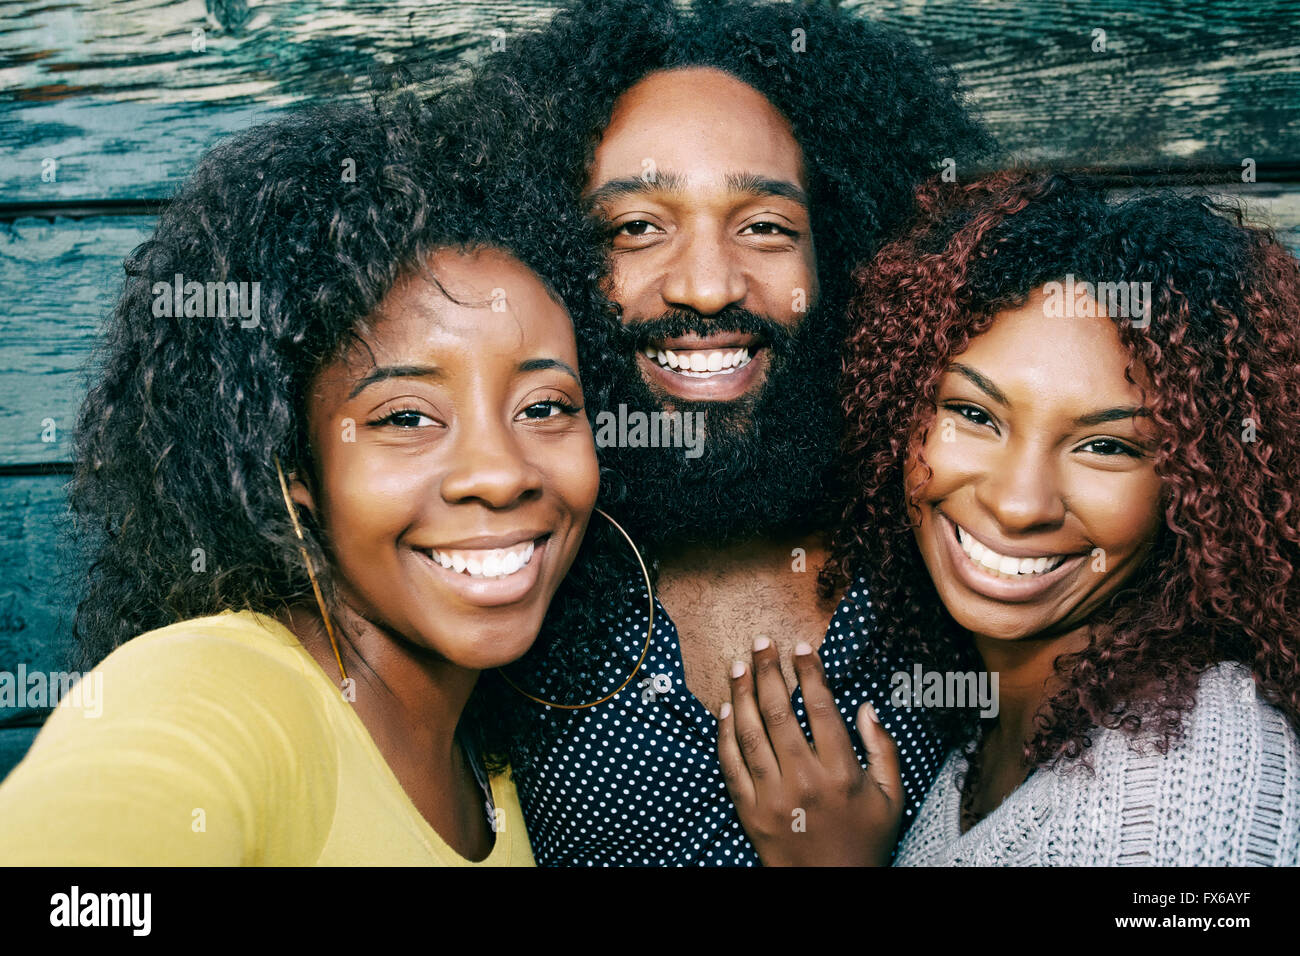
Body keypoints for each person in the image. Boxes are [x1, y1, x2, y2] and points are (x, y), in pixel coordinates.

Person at [434, 0, 996, 865]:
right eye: (634, 229)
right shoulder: (492, 566)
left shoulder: (961, 552)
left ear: (846, 252)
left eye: (766, 226)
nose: (704, 286)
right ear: (543, 258)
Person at [0, 95, 615, 864]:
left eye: (546, 406)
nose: (499, 474)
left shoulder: (502, 763)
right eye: (405, 417)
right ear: (292, 465)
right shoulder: (218, 691)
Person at [782, 170, 1300, 865]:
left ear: (1196, 479)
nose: (1019, 503)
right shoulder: (1006, 710)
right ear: (901, 411)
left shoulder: (1192, 787)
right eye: (974, 413)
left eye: (1107, 446)